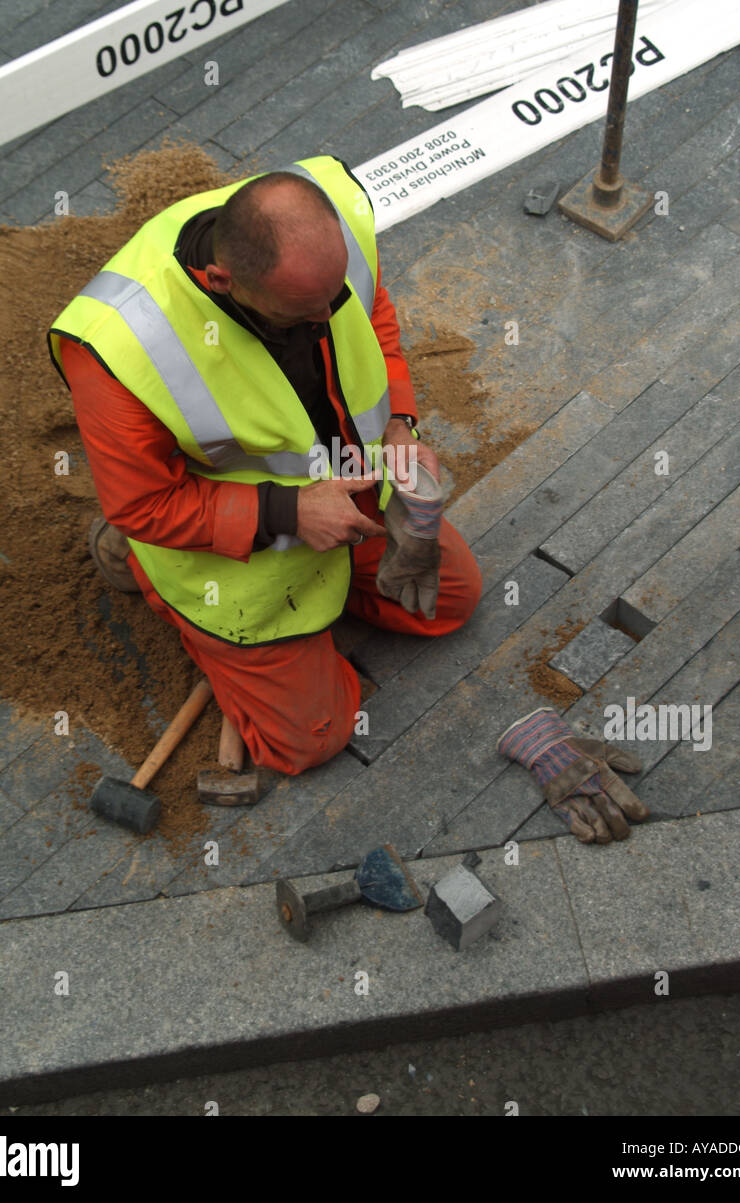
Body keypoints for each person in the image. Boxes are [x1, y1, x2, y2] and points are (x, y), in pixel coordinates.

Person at [49, 155, 482, 775]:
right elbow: (143, 504)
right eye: (301, 316)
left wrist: (399, 426)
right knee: (310, 741)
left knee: (451, 602)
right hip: (233, 544)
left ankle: (297, 638)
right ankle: (140, 567)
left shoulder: (332, 235)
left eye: (330, 302)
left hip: (344, 482)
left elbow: (372, 316)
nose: (324, 321)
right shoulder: (121, 346)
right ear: (224, 282)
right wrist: (290, 510)